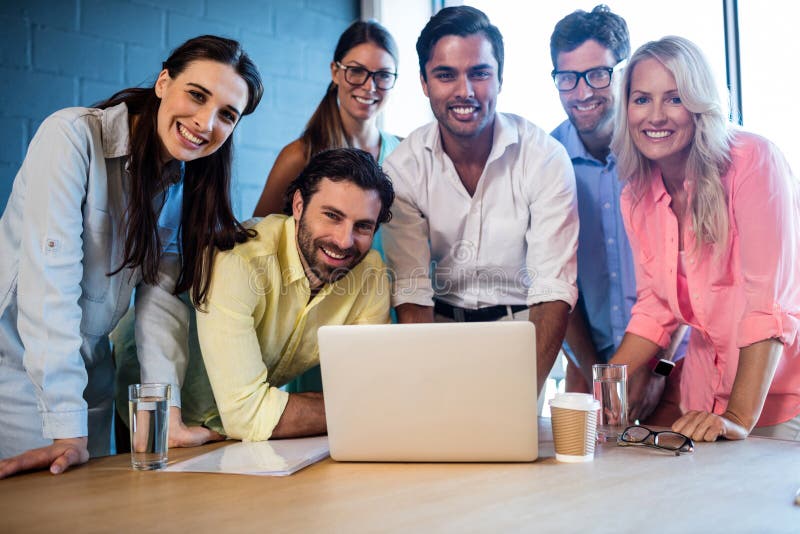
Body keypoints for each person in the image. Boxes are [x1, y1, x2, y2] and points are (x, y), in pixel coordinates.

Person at [0, 35, 263, 478]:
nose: (205, 122)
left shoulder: (187, 183)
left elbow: (162, 305)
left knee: (92, 511)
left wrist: (168, 415)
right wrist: (65, 425)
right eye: (197, 95)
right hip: (17, 367)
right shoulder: (70, 136)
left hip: (90, 371)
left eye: (227, 115)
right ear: (163, 81)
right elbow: (50, 285)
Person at [610, 36, 800, 441]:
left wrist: (737, 417)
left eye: (675, 98)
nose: (655, 116)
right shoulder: (636, 194)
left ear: (699, 104)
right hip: (702, 402)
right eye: (642, 99)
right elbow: (656, 307)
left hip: (777, 402)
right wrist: (604, 394)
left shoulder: (753, 161)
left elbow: (766, 306)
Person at [381, 6, 579, 394]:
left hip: (523, 333)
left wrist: (522, 398)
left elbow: (553, 292)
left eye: (479, 73)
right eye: (445, 75)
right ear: (423, 82)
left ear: (500, 78)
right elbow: (412, 291)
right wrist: (430, 386)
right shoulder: (401, 169)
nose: (464, 91)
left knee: (513, 445)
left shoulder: (545, 159)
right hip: (436, 332)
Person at [194, 148, 393, 440]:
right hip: (169, 421)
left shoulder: (370, 272)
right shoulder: (239, 261)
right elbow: (247, 417)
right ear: (299, 205)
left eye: (363, 226)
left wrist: (365, 403)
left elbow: (369, 386)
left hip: (246, 437)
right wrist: (357, 409)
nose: (344, 240)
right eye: (332, 216)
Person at [549, 5, 685, 426]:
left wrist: (657, 369)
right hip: (590, 363)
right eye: (567, 77)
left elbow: (686, 274)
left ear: (623, 72)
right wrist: (600, 380)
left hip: (676, 362)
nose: (582, 92)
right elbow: (554, 280)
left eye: (598, 74)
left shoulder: (660, 145)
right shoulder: (547, 160)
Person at [251, 19, 400, 393]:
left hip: (381, 314)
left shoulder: (407, 153)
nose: (369, 86)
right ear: (335, 72)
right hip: (317, 324)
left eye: (383, 76)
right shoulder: (299, 156)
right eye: (356, 72)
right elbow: (258, 244)